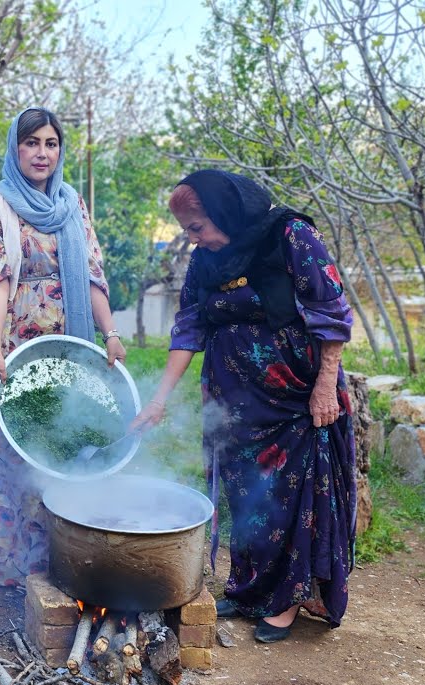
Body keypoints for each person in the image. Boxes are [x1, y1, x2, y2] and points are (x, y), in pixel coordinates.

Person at [132, 169, 357, 644]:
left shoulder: (290, 235)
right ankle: (252, 588)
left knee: (288, 498)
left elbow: (331, 312)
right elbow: (189, 328)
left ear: (226, 211)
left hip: (292, 397)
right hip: (232, 405)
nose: (193, 238)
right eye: (188, 230)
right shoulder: (206, 261)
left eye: (197, 226)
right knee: (247, 497)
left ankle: (288, 599)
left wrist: (324, 386)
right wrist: (158, 400)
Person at [0, 107, 126, 586]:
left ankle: (53, 559)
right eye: (32, 142)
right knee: (6, 451)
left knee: (57, 445)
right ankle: (4, 566)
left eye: (51, 143)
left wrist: (109, 335)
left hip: (66, 350)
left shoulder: (72, 204)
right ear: (16, 148)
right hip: (13, 344)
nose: (42, 153)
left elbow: (92, 274)